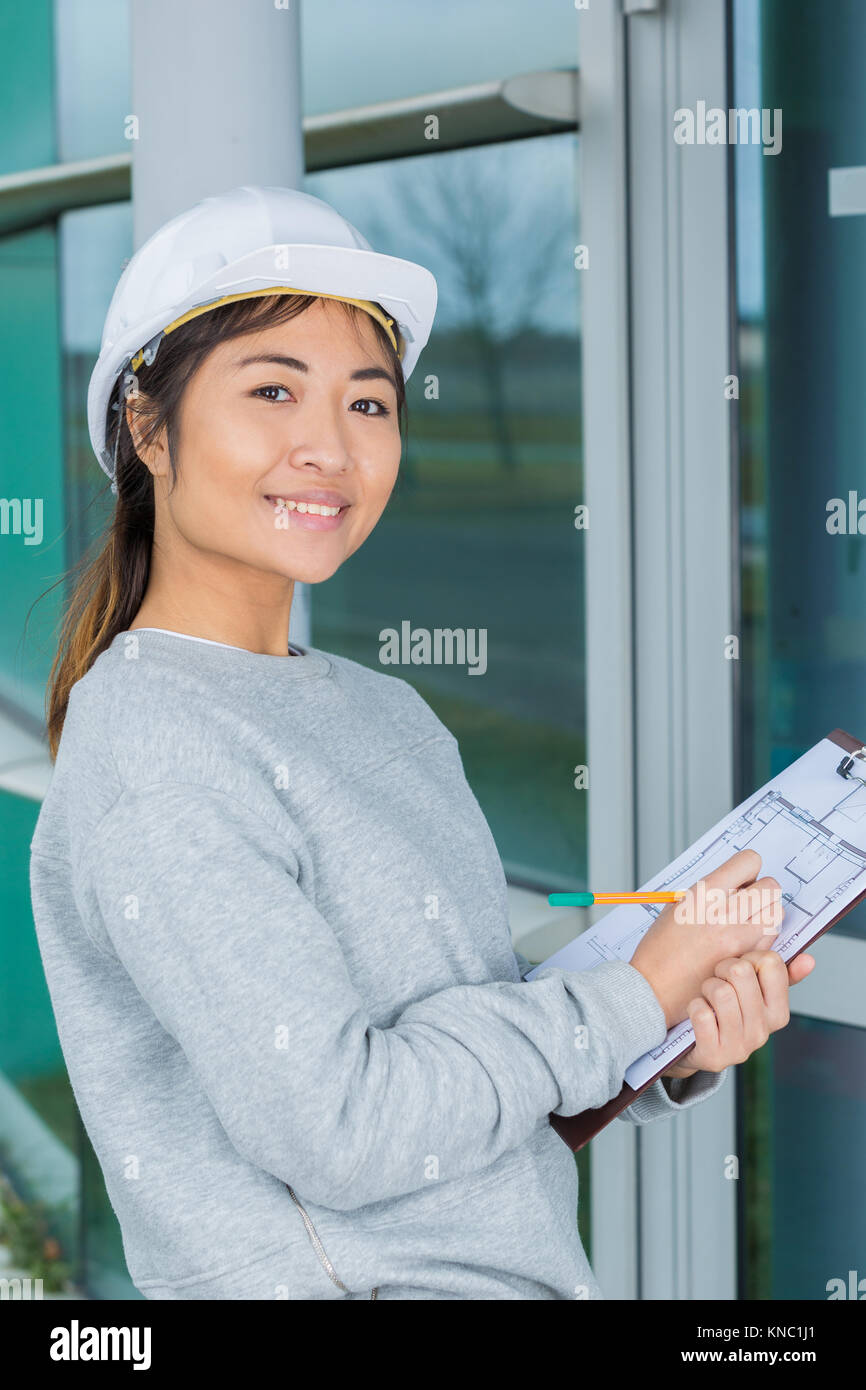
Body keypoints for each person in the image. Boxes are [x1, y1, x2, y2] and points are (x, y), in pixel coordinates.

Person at [28, 185, 813, 1301]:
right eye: (272, 390)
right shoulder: (157, 749)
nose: (330, 448)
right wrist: (630, 996)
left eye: (368, 403)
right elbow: (343, 1127)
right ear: (148, 428)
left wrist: (659, 1037)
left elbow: (447, 1097)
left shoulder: (383, 709)